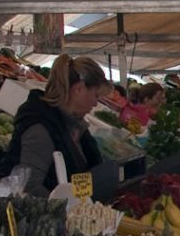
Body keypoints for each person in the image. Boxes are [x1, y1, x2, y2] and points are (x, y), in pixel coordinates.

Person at [7, 54, 109, 197]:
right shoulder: (40, 129)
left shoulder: (74, 126)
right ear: (79, 89)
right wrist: (67, 208)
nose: (95, 103)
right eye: (95, 96)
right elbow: (28, 187)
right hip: (49, 216)